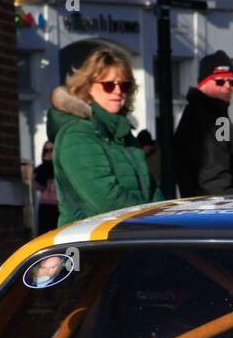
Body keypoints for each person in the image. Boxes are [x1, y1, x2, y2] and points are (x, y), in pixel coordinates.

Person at [47, 44, 162, 226]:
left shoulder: (124, 134)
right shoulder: (78, 134)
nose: (118, 91)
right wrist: (154, 221)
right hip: (90, 244)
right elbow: (106, 199)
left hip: (131, 237)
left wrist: (167, 218)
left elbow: (151, 189)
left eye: (124, 85)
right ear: (88, 88)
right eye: (109, 85)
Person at [173, 50, 233, 197]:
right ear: (202, 84)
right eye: (219, 81)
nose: (227, 86)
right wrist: (229, 209)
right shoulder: (215, 119)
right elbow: (214, 172)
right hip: (223, 210)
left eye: (232, 82)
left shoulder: (208, 114)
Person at [33, 140, 59, 234]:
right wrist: (47, 166)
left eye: (51, 150)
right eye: (46, 150)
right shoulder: (40, 169)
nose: (49, 153)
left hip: (59, 207)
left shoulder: (60, 169)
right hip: (46, 208)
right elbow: (38, 186)